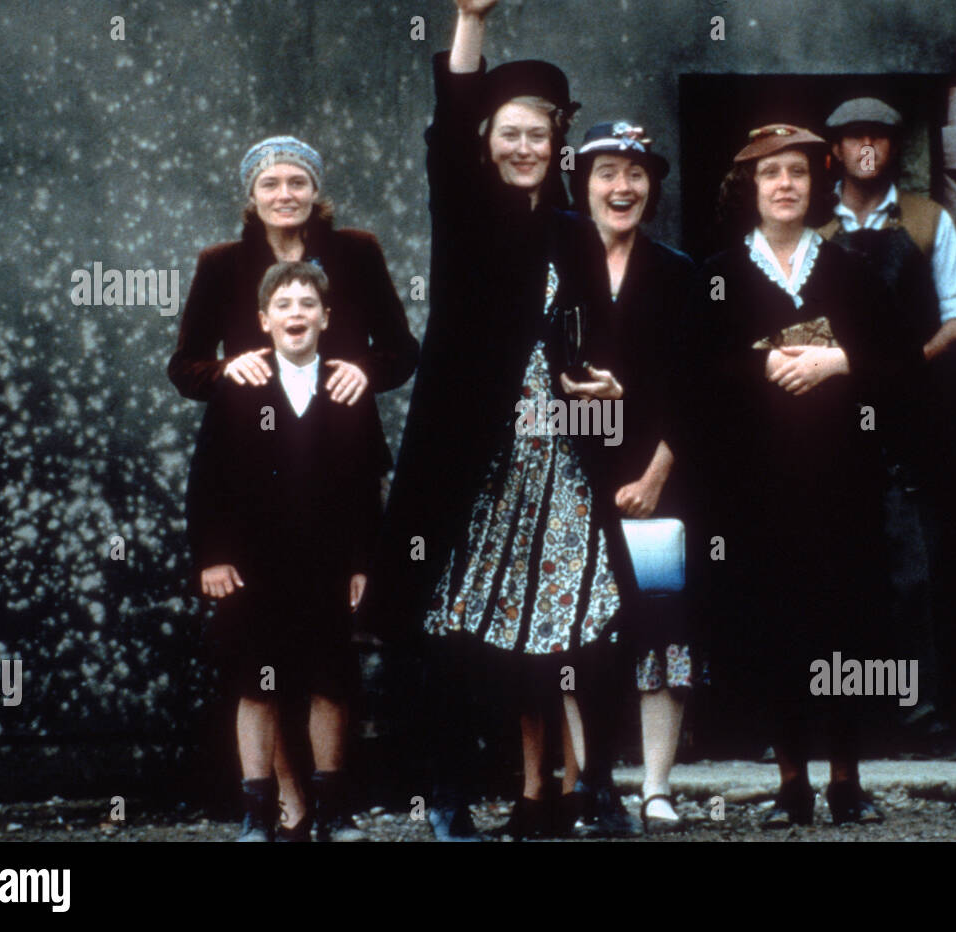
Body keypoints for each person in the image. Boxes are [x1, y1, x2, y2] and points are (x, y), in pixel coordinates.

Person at [361, 0, 640, 840]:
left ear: (559, 145)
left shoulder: (574, 231)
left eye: (539, 135)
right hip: (470, 458)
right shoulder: (465, 209)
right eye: (508, 133)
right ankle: (447, 796)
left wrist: (608, 389)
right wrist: (470, 18)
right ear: (487, 141)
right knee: (448, 630)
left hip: (560, 463)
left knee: (593, 614)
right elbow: (448, 121)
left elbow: (600, 341)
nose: (524, 147)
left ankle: (595, 787)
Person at [170, 135, 419, 838]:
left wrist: (365, 369)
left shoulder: (358, 252)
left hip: (335, 456)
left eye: (298, 182)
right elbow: (185, 367)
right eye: (271, 184)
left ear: (316, 191)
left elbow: (403, 352)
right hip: (254, 464)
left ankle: (325, 803)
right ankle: (281, 803)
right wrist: (230, 371)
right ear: (251, 196)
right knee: (260, 665)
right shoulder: (222, 266)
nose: (285, 195)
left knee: (330, 666)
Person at [694, 123, 925, 827]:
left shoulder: (852, 269)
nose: (785, 185)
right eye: (770, 175)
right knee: (775, 632)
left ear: (815, 183)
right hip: (758, 494)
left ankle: (847, 782)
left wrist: (843, 362)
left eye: (796, 171)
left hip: (842, 490)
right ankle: (791, 784)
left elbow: (907, 367)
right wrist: (759, 364)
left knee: (846, 629)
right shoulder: (718, 276)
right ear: (750, 190)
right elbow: (691, 371)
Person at [186, 261, 386, 841]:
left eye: (307, 304)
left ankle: (332, 811)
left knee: (331, 684)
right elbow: (207, 482)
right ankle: (257, 814)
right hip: (254, 567)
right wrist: (212, 556)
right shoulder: (240, 386)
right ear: (263, 320)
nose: (295, 313)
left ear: (327, 317)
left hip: (325, 566)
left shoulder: (346, 388)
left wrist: (361, 565)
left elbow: (366, 489)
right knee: (258, 685)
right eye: (284, 305)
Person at [820, 97, 956, 759]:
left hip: (910, 423)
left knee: (915, 573)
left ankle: (923, 717)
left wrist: (907, 367)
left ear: (895, 148)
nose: (868, 150)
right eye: (855, 139)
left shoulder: (927, 219)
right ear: (835, 151)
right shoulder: (811, 225)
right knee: (838, 569)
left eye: (879, 139)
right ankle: (849, 725)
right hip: (827, 420)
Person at [563, 121, 700, 832]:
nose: (623, 187)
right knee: (574, 634)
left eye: (637, 173)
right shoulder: (555, 267)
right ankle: (591, 784)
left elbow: (700, 390)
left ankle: (655, 787)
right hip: (565, 481)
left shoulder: (679, 273)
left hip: (653, 480)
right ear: (581, 184)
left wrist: (653, 477)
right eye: (608, 172)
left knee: (659, 628)